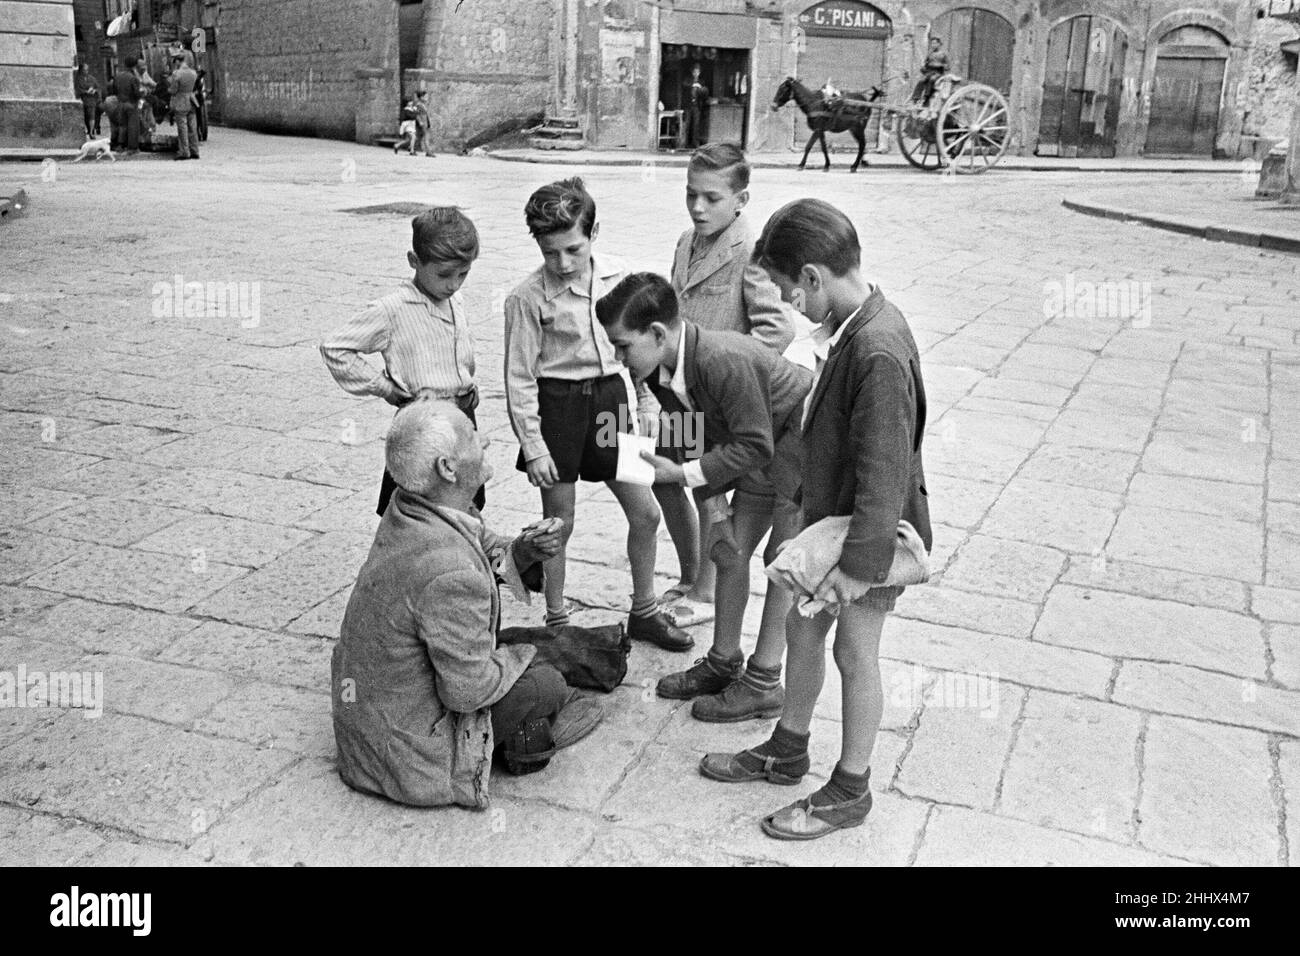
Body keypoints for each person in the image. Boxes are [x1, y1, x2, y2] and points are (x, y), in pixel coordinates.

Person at [700, 198, 933, 841]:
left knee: (854, 652)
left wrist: (859, 570)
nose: (788, 306)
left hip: (872, 536)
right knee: (803, 634)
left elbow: (885, 474)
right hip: (831, 524)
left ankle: (851, 788)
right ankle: (788, 745)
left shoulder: (878, 348)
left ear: (811, 277)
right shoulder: (849, 328)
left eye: (787, 292)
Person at [331, 398, 605, 806]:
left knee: (533, 651)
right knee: (548, 681)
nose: (488, 440)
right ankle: (528, 730)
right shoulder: (450, 573)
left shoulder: (411, 505)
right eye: (474, 437)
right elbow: (467, 692)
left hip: (374, 720)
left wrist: (524, 551)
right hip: (411, 756)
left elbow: (477, 542)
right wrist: (522, 658)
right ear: (447, 468)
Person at [598, 273, 812, 722]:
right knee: (728, 549)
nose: (618, 358)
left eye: (623, 346)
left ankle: (763, 682)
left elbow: (755, 445)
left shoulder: (721, 358)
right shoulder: (658, 368)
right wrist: (713, 505)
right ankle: (723, 661)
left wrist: (687, 475)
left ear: (658, 334)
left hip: (801, 443)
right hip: (760, 446)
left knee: (782, 562)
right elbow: (691, 437)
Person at [503, 177, 690, 652]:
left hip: (612, 402)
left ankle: (644, 610)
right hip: (559, 410)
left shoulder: (619, 278)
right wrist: (534, 445)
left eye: (573, 249)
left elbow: (639, 352)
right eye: (550, 253)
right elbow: (520, 377)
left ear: (594, 232)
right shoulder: (526, 298)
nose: (563, 264)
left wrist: (646, 401)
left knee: (645, 512)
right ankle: (557, 620)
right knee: (557, 525)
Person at [656, 143, 801, 628]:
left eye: (712, 198)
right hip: (680, 395)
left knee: (708, 484)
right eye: (691, 194)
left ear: (741, 200)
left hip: (718, 398)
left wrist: (735, 370)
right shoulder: (684, 241)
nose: (698, 207)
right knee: (668, 476)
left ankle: (706, 589)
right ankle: (693, 572)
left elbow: (778, 327)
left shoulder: (751, 253)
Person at [320, 207, 485, 515]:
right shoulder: (392, 309)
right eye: (443, 275)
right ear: (414, 261)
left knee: (466, 502)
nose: (453, 284)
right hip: (421, 423)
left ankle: (462, 557)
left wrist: (466, 383)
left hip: (462, 417)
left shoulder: (455, 301)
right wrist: (385, 388)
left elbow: (459, 350)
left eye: (463, 274)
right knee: (415, 506)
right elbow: (335, 348)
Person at [168, 53, 200, 161]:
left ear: (177, 61)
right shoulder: (193, 73)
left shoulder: (177, 74)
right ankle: (194, 151)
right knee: (192, 127)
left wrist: (169, 90)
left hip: (181, 101)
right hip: (192, 100)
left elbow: (173, 90)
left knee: (182, 128)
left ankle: (184, 152)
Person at [111, 56, 141, 154]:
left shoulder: (118, 76)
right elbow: (136, 92)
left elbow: (113, 89)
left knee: (122, 125)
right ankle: (132, 148)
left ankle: (120, 145)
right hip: (131, 103)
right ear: (134, 66)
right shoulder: (133, 78)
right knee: (133, 125)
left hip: (120, 103)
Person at [914, 35, 950, 108]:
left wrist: (940, 65)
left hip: (938, 73)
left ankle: (926, 98)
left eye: (935, 43)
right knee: (922, 80)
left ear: (939, 44)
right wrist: (923, 67)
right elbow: (926, 64)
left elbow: (947, 67)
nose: (933, 45)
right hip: (929, 72)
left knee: (932, 80)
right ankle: (915, 98)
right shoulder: (930, 54)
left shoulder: (943, 54)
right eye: (932, 43)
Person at [682, 63, 709, 148]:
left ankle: (695, 144)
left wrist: (701, 88)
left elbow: (705, 93)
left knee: (696, 126)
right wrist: (693, 85)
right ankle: (684, 143)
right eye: (694, 72)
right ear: (692, 72)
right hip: (688, 106)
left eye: (697, 72)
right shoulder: (688, 79)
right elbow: (684, 85)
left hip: (697, 106)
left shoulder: (702, 81)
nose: (696, 73)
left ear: (699, 72)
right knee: (687, 125)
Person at [74, 63, 101, 137]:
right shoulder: (78, 79)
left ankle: (92, 132)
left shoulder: (92, 78)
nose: (86, 71)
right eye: (84, 70)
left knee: (92, 116)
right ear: (81, 70)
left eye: (87, 70)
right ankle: (89, 129)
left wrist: (94, 90)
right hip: (83, 99)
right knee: (86, 116)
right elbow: (77, 89)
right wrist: (85, 92)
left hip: (91, 100)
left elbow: (97, 87)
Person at [414, 90, 434, 157]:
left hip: (425, 122)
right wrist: (420, 122)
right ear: (421, 97)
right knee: (426, 137)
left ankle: (412, 149)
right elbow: (416, 114)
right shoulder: (419, 105)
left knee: (419, 137)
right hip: (423, 123)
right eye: (425, 96)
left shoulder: (422, 104)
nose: (427, 98)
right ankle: (428, 152)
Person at [194, 68, 208, 142]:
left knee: (199, 117)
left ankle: (199, 132)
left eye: (198, 73)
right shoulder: (194, 78)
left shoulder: (199, 79)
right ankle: (197, 132)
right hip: (195, 100)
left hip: (199, 101)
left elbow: (201, 90)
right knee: (196, 117)